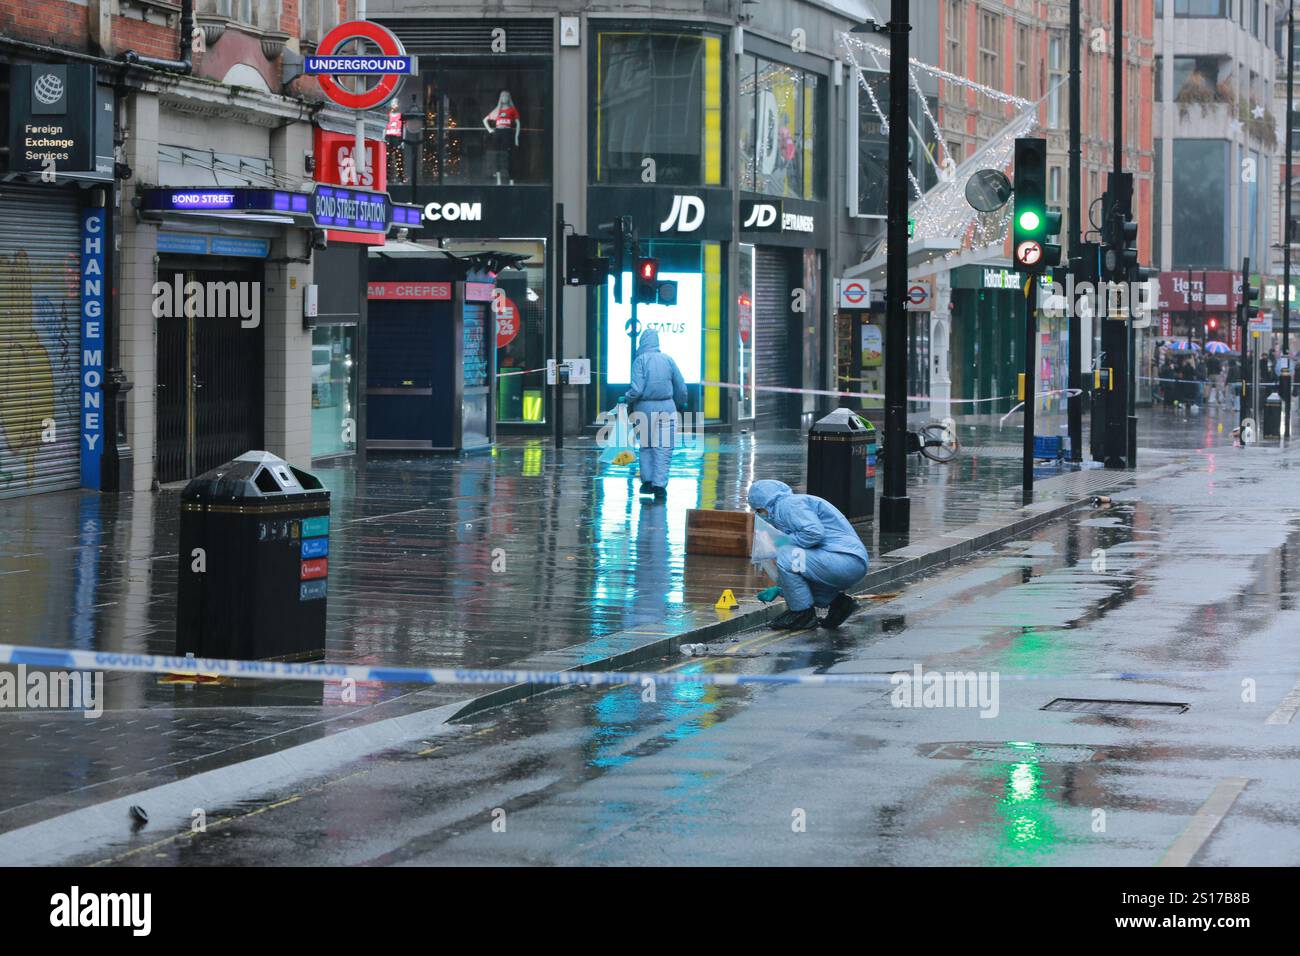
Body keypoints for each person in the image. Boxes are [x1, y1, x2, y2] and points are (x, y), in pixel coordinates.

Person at [747, 479, 870, 630]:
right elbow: (798, 580)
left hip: (844, 559)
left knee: (786, 556)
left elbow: (813, 533)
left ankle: (802, 615)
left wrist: (784, 543)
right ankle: (839, 604)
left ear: (766, 503)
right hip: (848, 561)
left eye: (759, 510)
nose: (759, 515)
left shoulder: (788, 505)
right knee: (796, 568)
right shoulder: (788, 506)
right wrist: (782, 590)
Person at [621, 329, 687, 500]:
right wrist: (681, 403)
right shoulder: (668, 360)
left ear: (642, 342)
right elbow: (681, 385)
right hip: (667, 407)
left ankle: (647, 482)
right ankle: (659, 486)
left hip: (644, 409)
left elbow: (637, 389)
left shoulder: (640, 361)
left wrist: (626, 399)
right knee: (664, 447)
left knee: (646, 446)